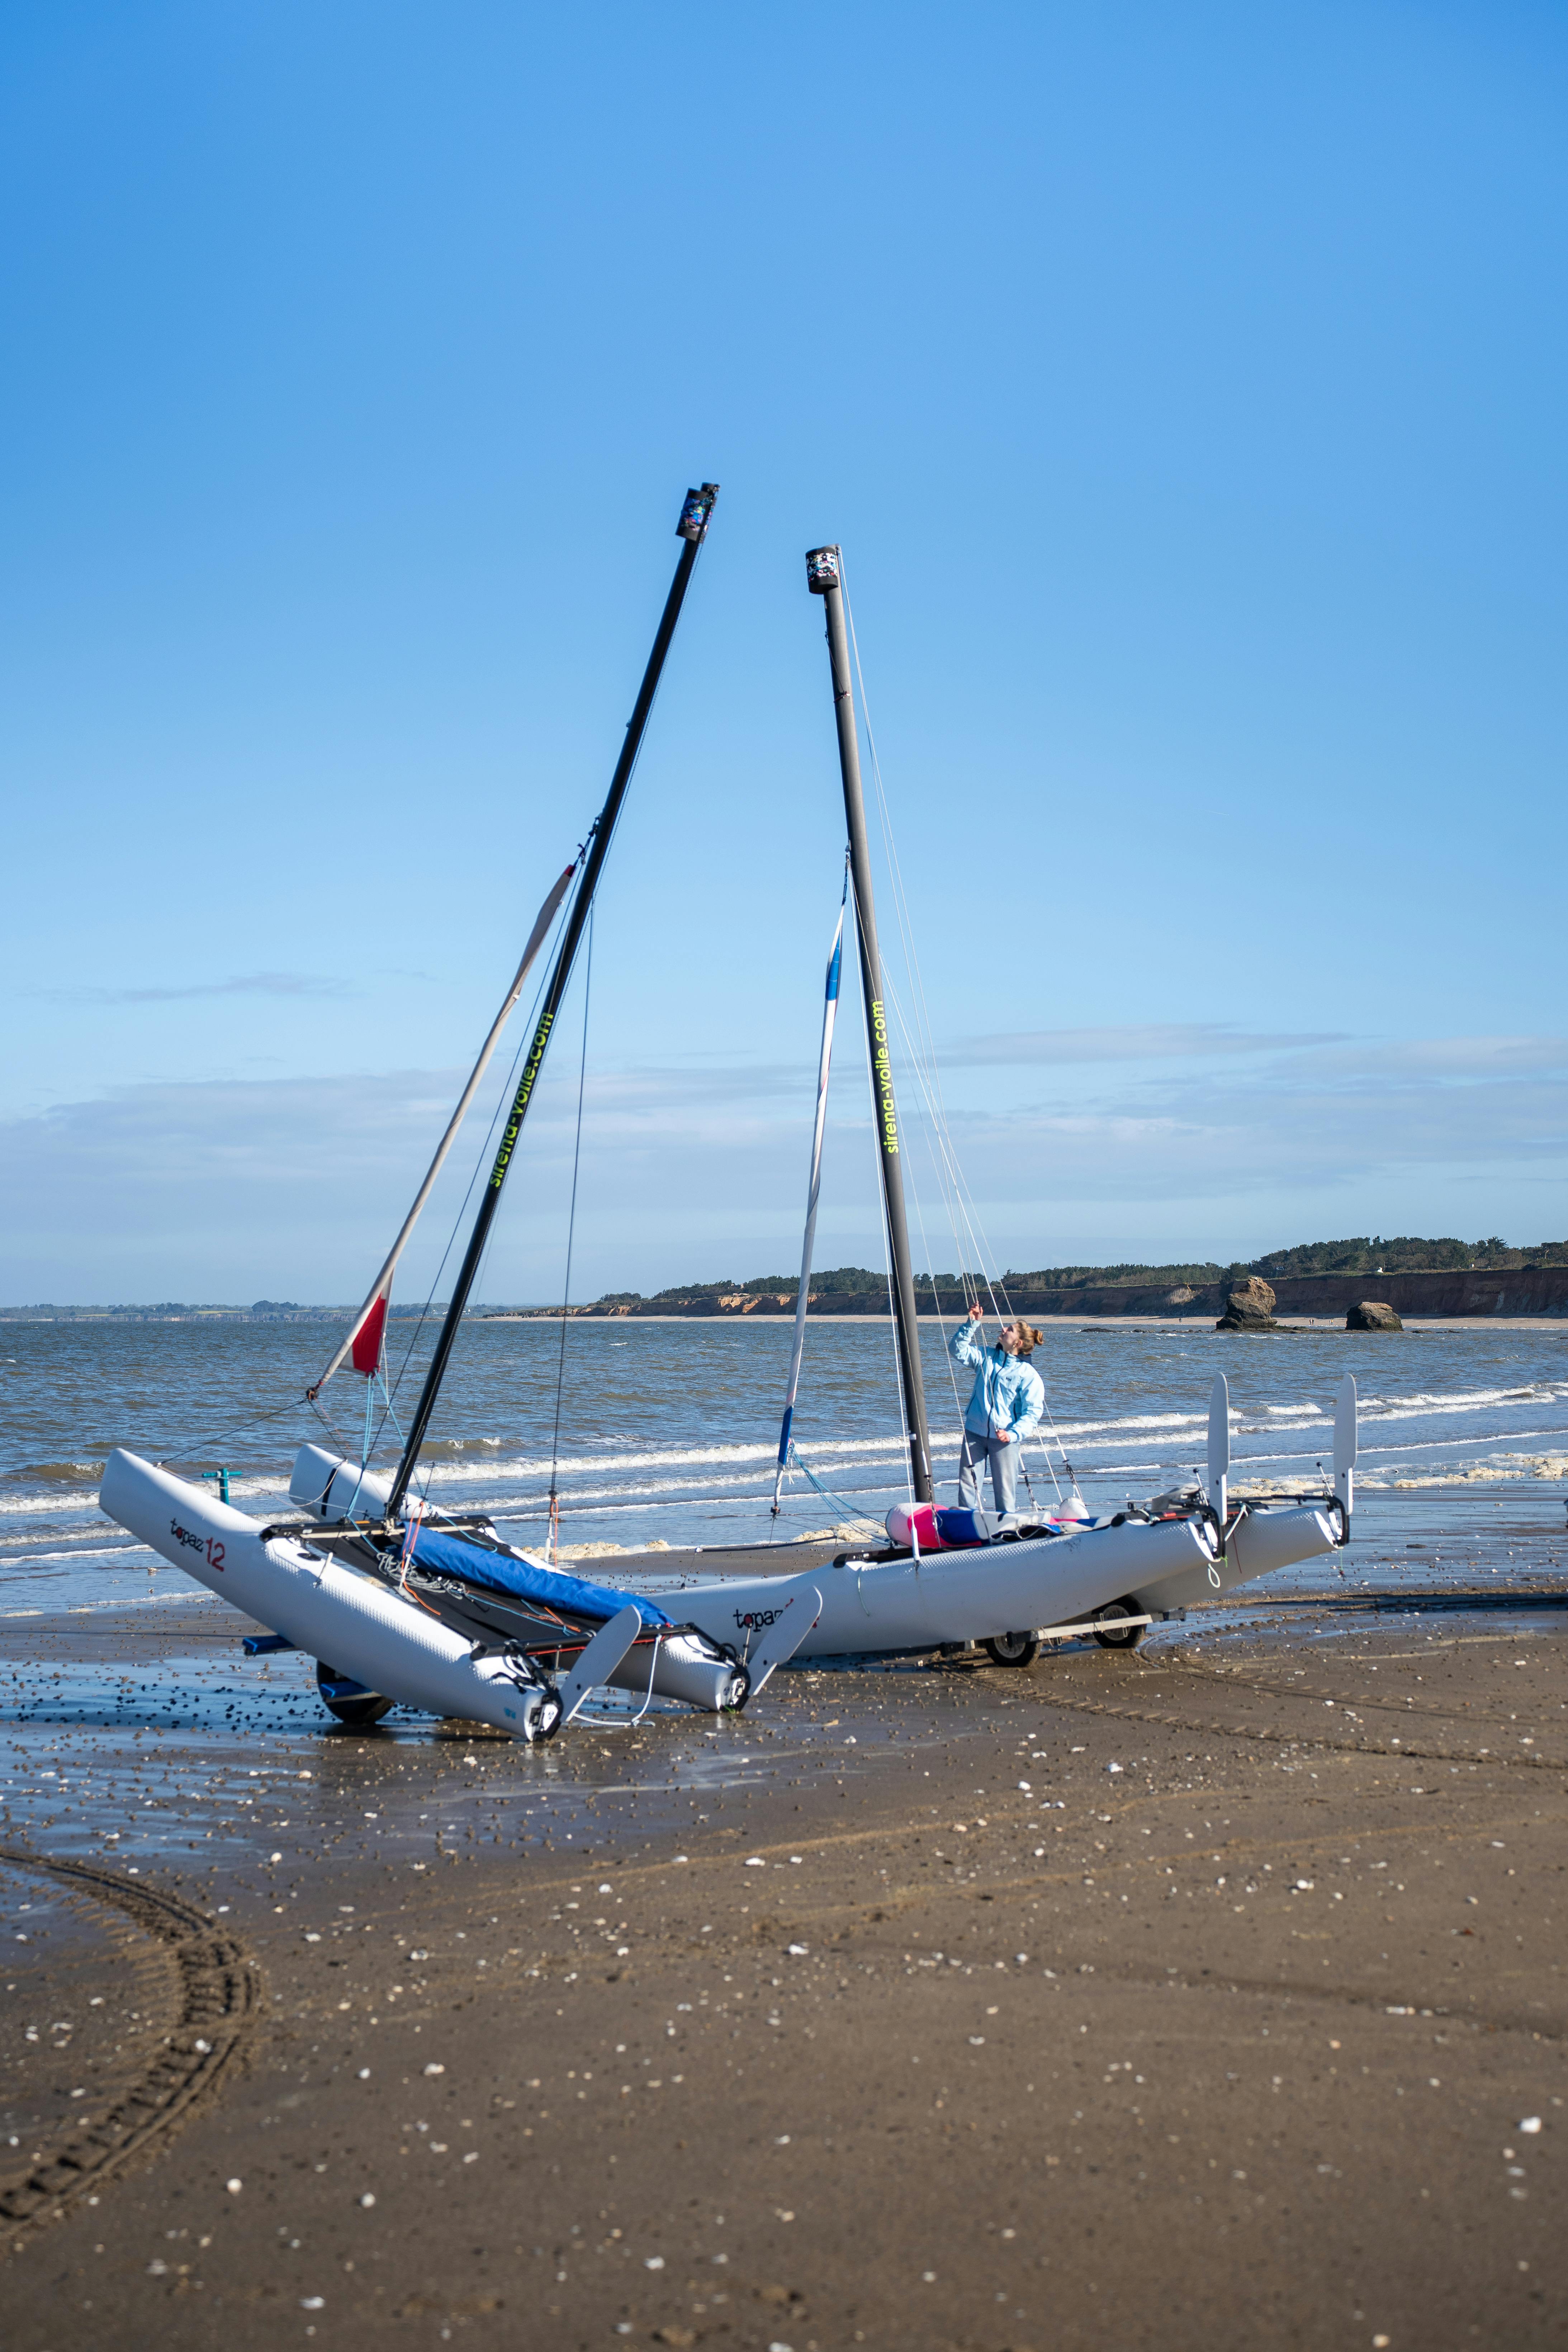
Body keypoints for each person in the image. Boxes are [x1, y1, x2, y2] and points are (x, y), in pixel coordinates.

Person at [948, 1303, 1045, 1523]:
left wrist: (1013, 1434)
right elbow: (957, 1349)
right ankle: (966, 1526)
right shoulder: (986, 1357)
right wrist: (972, 1324)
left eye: (1009, 1330)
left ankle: (1007, 1531)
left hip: (1004, 1440)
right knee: (968, 1489)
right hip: (974, 1432)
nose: (1003, 1329)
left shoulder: (1027, 1374)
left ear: (1018, 1343)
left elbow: (1032, 1413)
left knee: (1005, 1497)